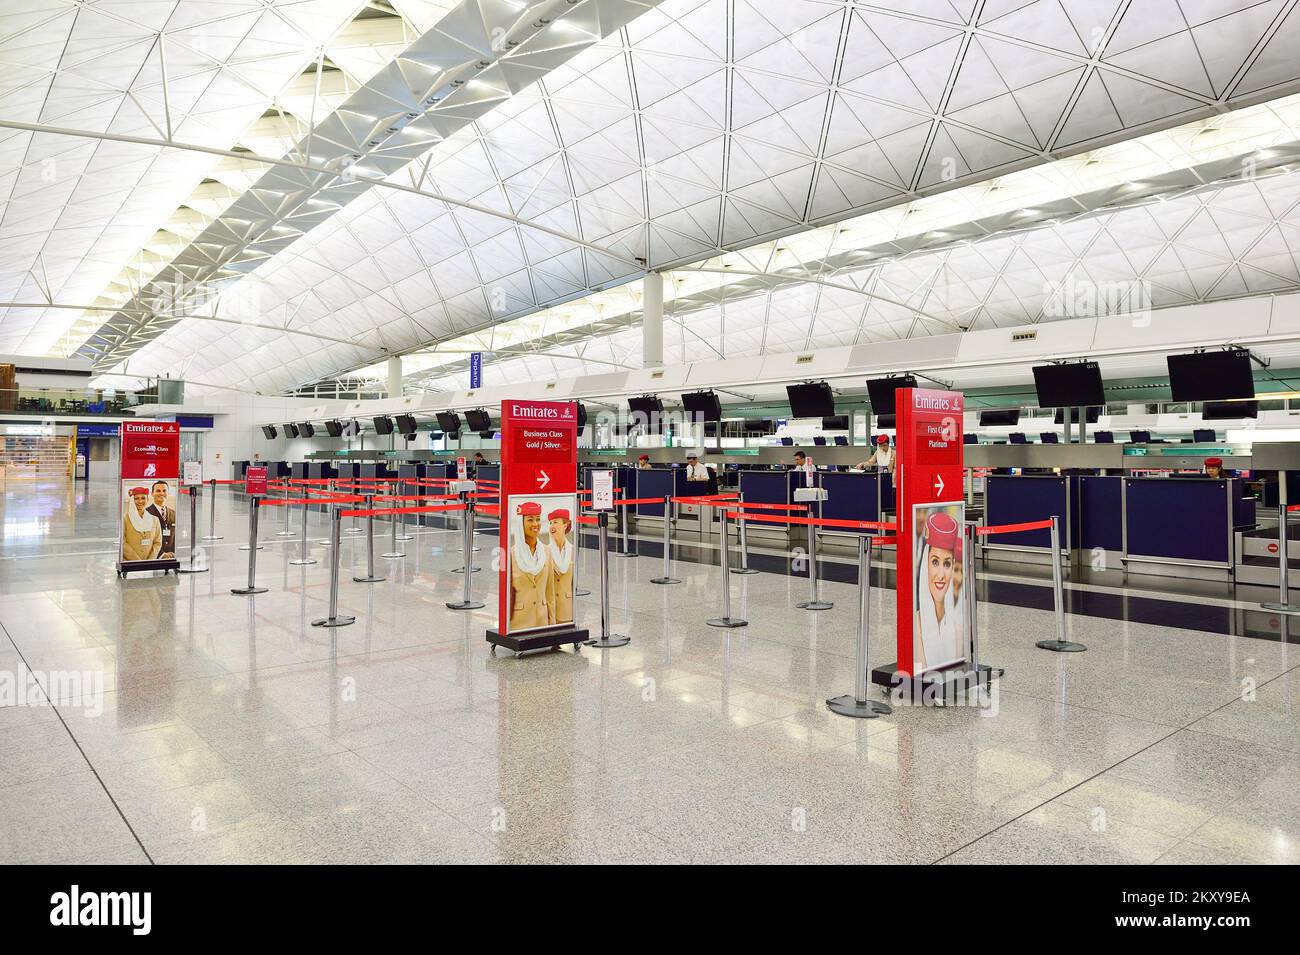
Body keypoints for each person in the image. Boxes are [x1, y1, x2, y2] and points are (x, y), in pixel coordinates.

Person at [914, 510, 963, 673]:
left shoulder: (958, 629)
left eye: (947, 564)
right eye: (935, 562)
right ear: (925, 565)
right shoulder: (914, 626)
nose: (941, 575)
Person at [508, 501, 554, 631]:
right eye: (530, 520)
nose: (535, 524)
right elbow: (507, 593)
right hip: (518, 623)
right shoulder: (510, 554)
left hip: (542, 621)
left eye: (538, 519)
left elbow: (550, 592)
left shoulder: (547, 551)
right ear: (520, 523)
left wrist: (554, 625)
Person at [547, 508, 574, 625]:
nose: (552, 526)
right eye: (550, 523)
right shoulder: (545, 551)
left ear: (565, 525)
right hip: (549, 608)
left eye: (555, 522)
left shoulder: (572, 550)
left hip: (566, 607)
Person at [122, 486, 162, 562]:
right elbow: (123, 543)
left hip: (149, 564)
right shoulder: (125, 518)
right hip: (130, 563)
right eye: (136, 498)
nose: (140, 501)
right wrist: (137, 561)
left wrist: (150, 561)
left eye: (143, 498)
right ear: (132, 500)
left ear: (147, 500)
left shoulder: (155, 519)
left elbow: (158, 542)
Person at [146, 480, 176, 558]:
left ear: (168, 493)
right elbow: (146, 538)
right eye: (158, 491)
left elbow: (175, 536)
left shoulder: (174, 513)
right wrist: (161, 554)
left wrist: (173, 553)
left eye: (164, 491)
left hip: (171, 557)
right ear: (152, 494)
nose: (162, 493)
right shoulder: (146, 513)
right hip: (153, 557)